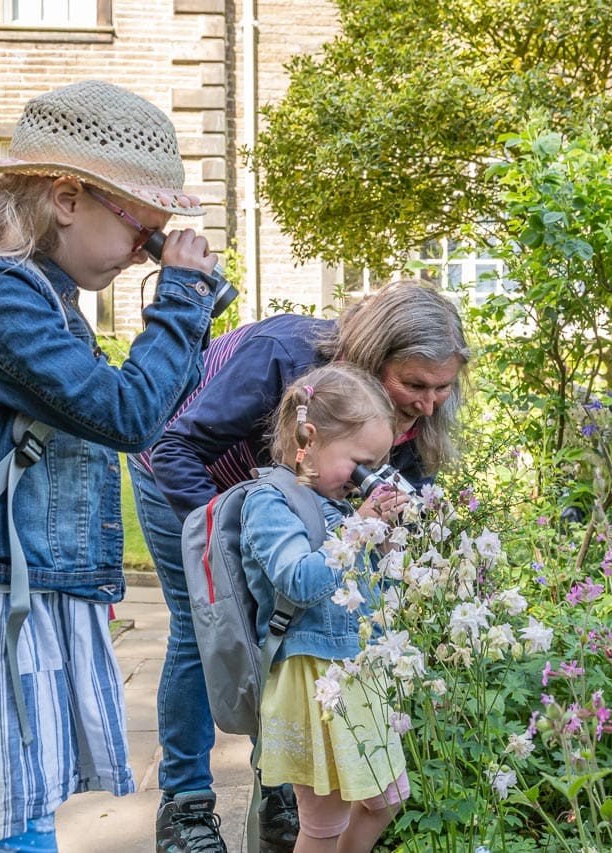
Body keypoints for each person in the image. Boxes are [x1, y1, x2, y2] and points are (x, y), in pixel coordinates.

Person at [0, 80, 221, 850]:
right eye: (142, 231)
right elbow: (125, 416)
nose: (143, 254)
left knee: (23, 818)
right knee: (14, 827)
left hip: (27, 589)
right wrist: (183, 294)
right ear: (65, 197)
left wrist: (188, 310)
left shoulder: (38, 291)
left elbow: (142, 403)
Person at [129, 281, 469, 852]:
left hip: (302, 491)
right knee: (207, 626)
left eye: (443, 388)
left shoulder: (405, 417)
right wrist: (232, 547)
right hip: (188, 468)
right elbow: (176, 450)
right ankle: (185, 806)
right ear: (373, 355)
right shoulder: (285, 357)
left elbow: (391, 515)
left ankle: (289, 788)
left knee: (296, 628)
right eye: (414, 385)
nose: (429, 403)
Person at [243, 363, 412, 853]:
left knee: (388, 797)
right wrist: (359, 527)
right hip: (311, 678)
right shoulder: (270, 502)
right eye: (360, 462)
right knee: (324, 821)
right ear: (310, 439)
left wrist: (386, 539)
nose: (366, 478)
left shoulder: (336, 504)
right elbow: (298, 580)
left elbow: (365, 584)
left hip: (352, 672)